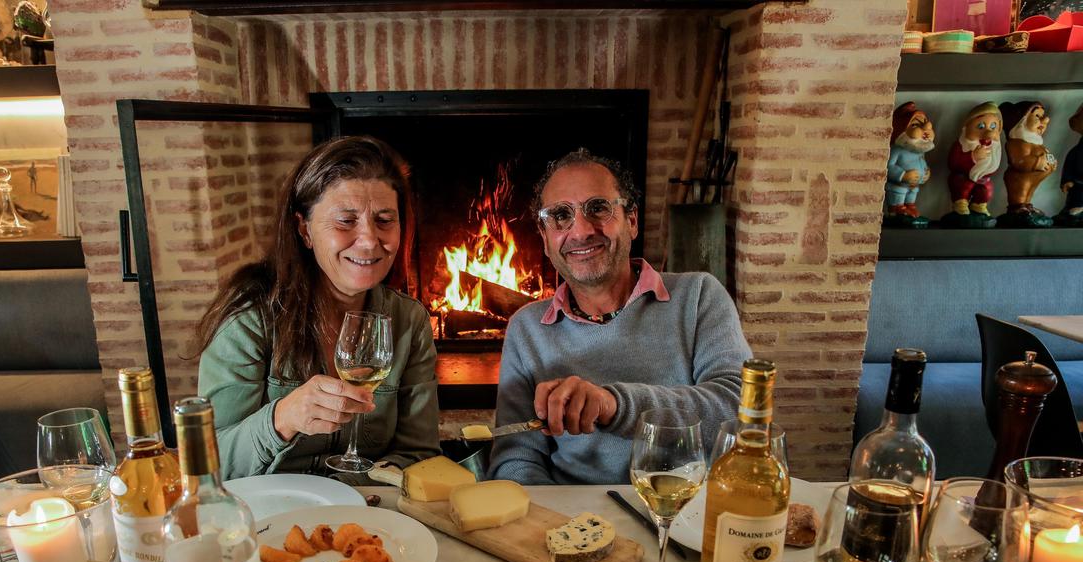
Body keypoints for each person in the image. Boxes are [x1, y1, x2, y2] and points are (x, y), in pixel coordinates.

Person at [489, 149, 751, 485]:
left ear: (631, 220)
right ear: (544, 238)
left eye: (598, 208)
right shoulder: (527, 329)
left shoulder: (699, 297)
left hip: (684, 509)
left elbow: (739, 413)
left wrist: (614, 405)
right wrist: (551, 524)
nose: (581, 231)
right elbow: (516, 457)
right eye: (560, 215)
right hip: (572, 520)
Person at [195, 135, 440, 479]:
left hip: (368, 510)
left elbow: (419, 452)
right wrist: (283, 419)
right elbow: (208, 466)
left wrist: (348, 490)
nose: (370, 240)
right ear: (304, 229)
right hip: (271, 513)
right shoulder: (251, 317)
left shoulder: (408, 320)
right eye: (345, 221)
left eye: (385, 220)